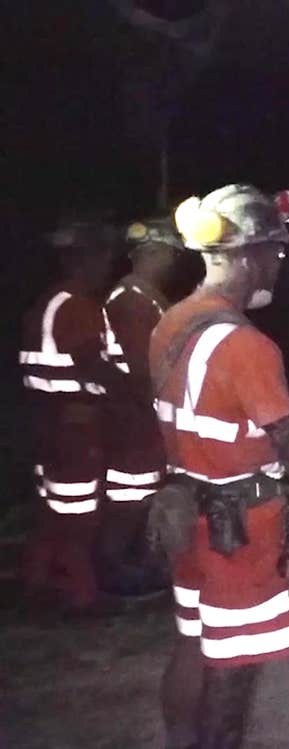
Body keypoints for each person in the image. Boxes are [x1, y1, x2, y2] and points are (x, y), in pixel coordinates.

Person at [150, 184, 289, 749]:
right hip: (240, 532)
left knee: (194, 644)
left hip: (185, 514)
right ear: (248, 255)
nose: (279, 263)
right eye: (276, 250)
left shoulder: (170, 323)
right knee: (235, 670)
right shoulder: (248, 347)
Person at [19, 220, 119, 612]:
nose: (107, 268)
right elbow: (94, 367)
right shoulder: (77, 306)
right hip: (75, 426)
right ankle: (82, 595)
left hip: (47, 422)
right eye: (104, 258)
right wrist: (138, 394)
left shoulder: (46, 302)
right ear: (86, 259)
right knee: (79, 515)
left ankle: (37, 583)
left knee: (52, 510)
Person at [96, 218, 184, 595]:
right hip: (134, 421)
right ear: (153, 253)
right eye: (170, 253)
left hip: (143, 419)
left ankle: (132, 565)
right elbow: (140, 368)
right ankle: (114, 571)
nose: (175, 262)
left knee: (143, 495)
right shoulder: (132, 299)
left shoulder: (144, 295)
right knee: (130, 497)